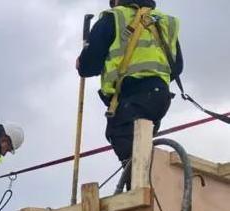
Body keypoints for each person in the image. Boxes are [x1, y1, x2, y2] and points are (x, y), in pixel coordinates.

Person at [77, 0, 182, 193]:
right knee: (140, 146)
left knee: (121, 134)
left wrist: (81, 62)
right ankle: (146, 188)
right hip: (159, 97)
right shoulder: (163, 21)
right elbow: (177, 67)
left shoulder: (114, 18)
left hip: (133, 96)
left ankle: (139, 194)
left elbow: (89, 65)